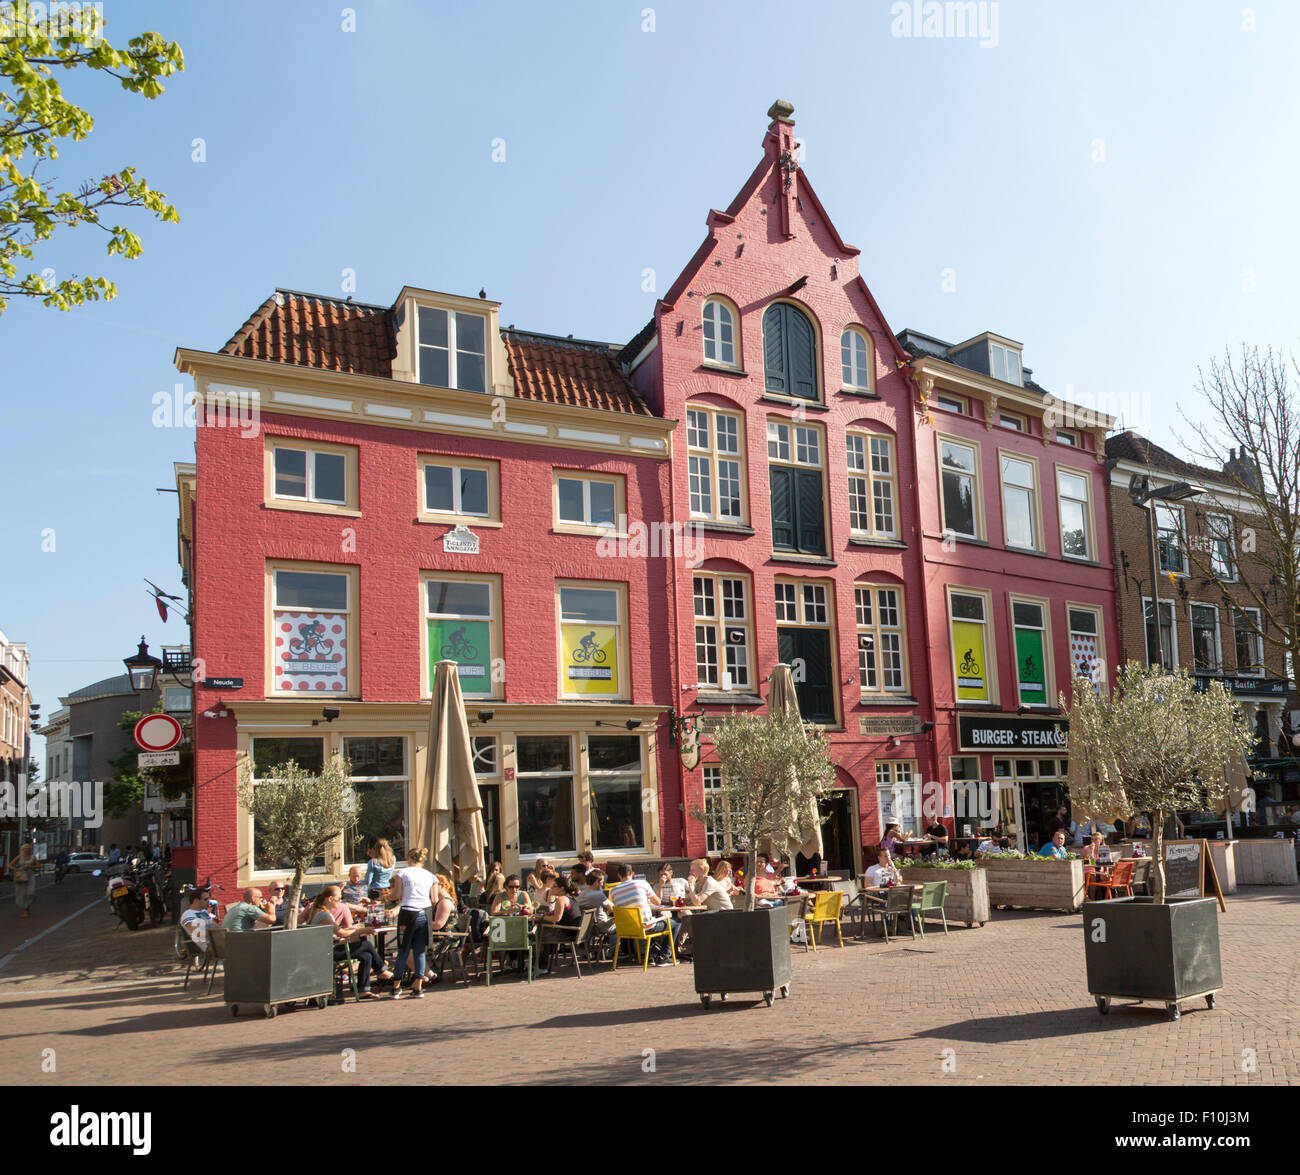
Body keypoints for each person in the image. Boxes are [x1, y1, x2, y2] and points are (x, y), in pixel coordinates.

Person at [306, 885, 392, 1000]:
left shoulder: (322, 912)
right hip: (327, 952)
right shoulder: (324, 915)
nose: (340, 901)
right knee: (366, 944)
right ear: (330, 899)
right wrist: (363, 930)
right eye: (338, 899)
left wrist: (354, 929)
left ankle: (363, 990)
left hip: (327, 948)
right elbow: (341, 933)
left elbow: (337, 932)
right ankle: (381, 970)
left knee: (366, 956)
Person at [609, 863, 678, 965]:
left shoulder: (613, 891)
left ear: (619, 875)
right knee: (676, 922)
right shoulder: (642, 883)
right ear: (632, 874)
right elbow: (658, 902)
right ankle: (664, 956)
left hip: (627, 928)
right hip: (645, 927)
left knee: (648, 921)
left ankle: (647, 955)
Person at [390, 847, 436, 998]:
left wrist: (387, 898)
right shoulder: (431, 876)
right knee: (420, 951)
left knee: (403, 950)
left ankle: (396, 987)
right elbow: (434, 899)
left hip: (407, 913)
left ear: (409, 859)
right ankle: (418, 987)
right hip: (424, 912)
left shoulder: (402, 873)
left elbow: (396, 894)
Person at [10, 842, 38, 918]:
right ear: (22, 850)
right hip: (21, 877)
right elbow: (10, 865)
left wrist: (30, 867)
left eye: (28, 848)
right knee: (21, 894)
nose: (27, 850)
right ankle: (25, 910)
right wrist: (17, 869)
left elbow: (38, 865)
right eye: (25, 849)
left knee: (31, 893)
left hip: (30, 877)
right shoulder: (19, 857)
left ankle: (27, 907)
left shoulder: (33, 857)